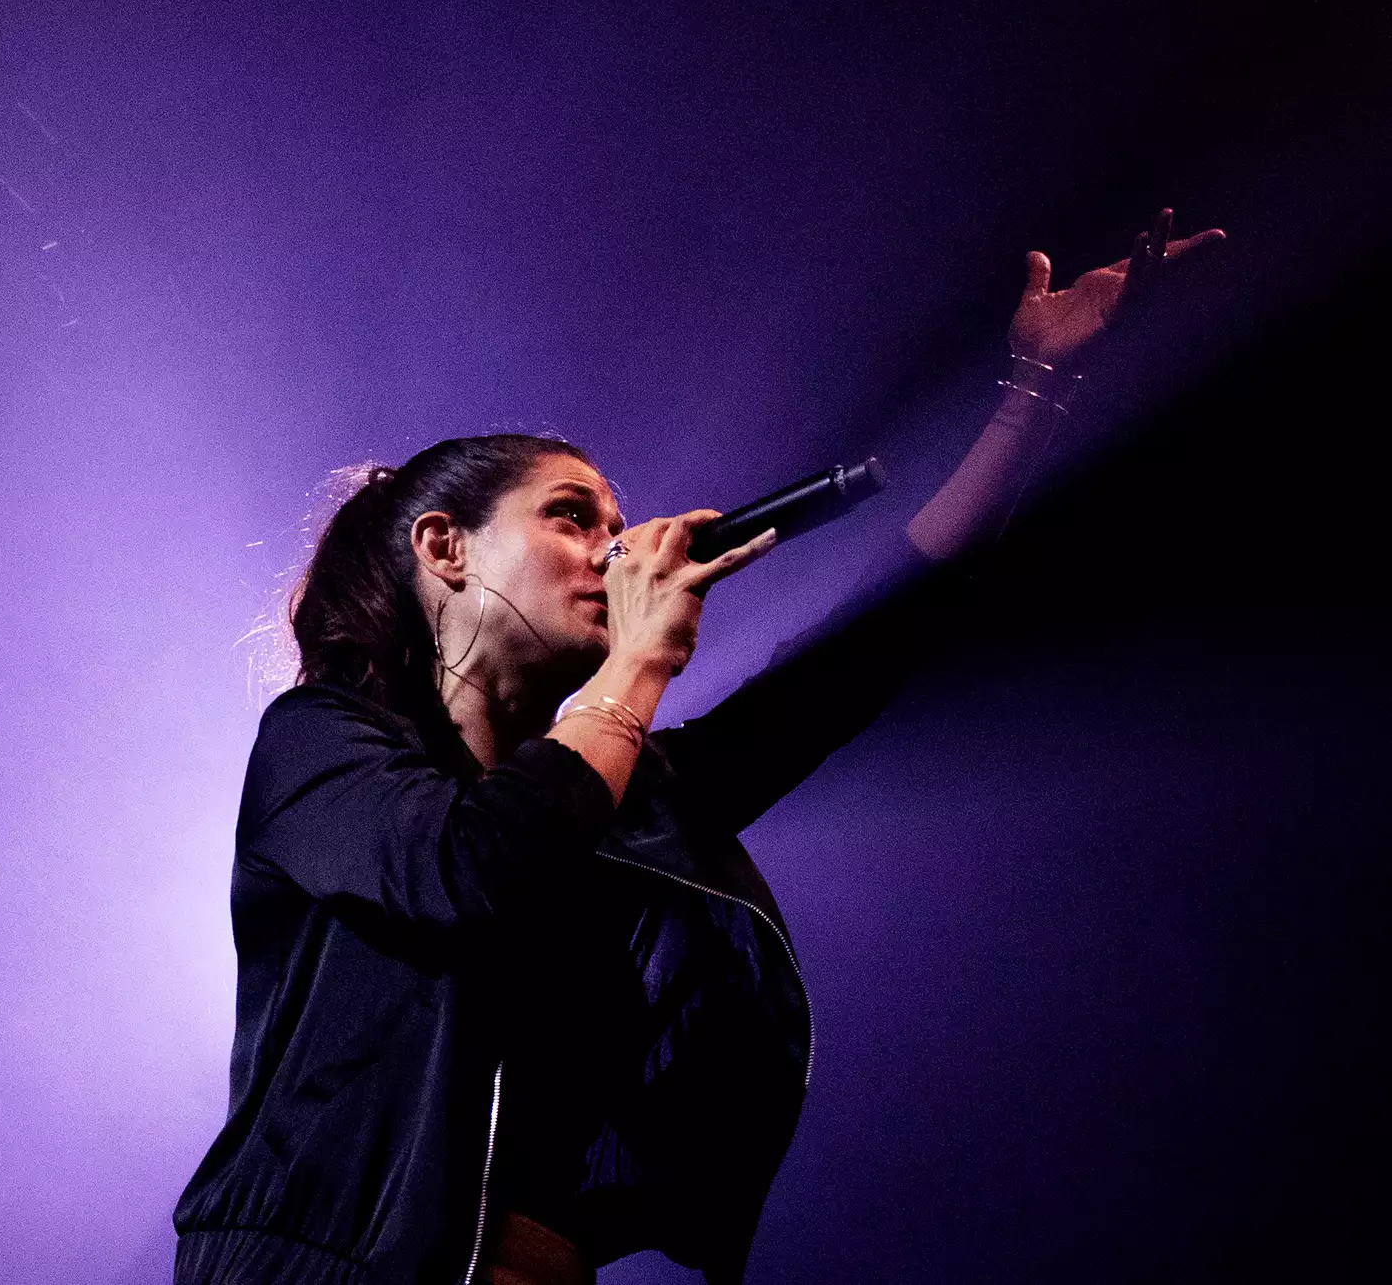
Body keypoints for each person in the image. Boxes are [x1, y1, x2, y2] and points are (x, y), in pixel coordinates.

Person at [171, 211, 1224, 1285]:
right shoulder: (320, 743)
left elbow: (861, 657)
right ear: (443, 546)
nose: (615, 548)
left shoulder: (630, 798)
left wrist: (1032, 396)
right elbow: (469, 867)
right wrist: (639, 662)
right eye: (573, 516)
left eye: (615, 524)